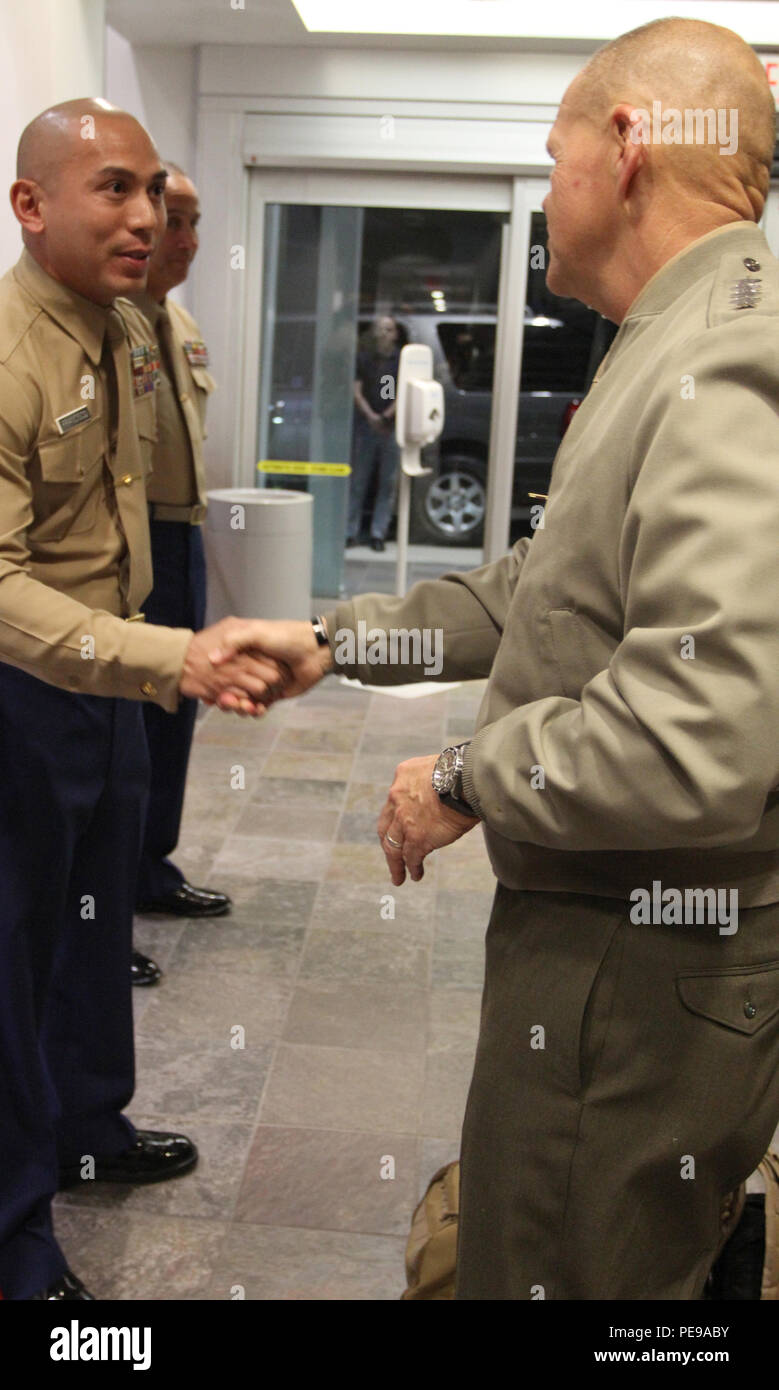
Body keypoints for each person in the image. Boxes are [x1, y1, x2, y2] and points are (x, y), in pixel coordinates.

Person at [212, 17, 779, 1299]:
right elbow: (543, 587)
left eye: (554, 150)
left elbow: (693, 731)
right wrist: (330, 638)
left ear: (625, 147)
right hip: (604, 957)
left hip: (632, 981)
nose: (546, 189)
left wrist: (462, 776)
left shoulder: (727, 352)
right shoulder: (665, 339)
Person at [0, 99, 280, 1301]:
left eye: (151, 191)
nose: (144, 215)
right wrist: (164, 658)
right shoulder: (9, 353)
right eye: (112, 188)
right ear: (32, 205)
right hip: (22, 690)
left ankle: (85, 1124)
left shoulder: (122, 325)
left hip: (106, 677)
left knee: (96, 920)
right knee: (11, 962)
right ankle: (15, 1230)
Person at [130, 163, 231, 989]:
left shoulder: (182, 322)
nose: (186, 239)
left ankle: (148, 872)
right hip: (131, 552)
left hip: (183, 543)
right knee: (123, 737)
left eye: (194, 223)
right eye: (176, 220)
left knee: (173, 726)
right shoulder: (111, 324)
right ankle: (100, 904)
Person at [347, 315, 401, 551]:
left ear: (395, 333)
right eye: (379, 329)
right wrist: (370, 416)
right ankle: (351, 531)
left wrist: (387, 415)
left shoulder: (400, 360)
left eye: (388, 329)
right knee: (359, 479)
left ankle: (378, 533)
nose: (383, 334)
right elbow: (356, 390)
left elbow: (404, 391)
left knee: (387, 482)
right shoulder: (364, 359)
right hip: (366, 426)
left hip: (391, 427)